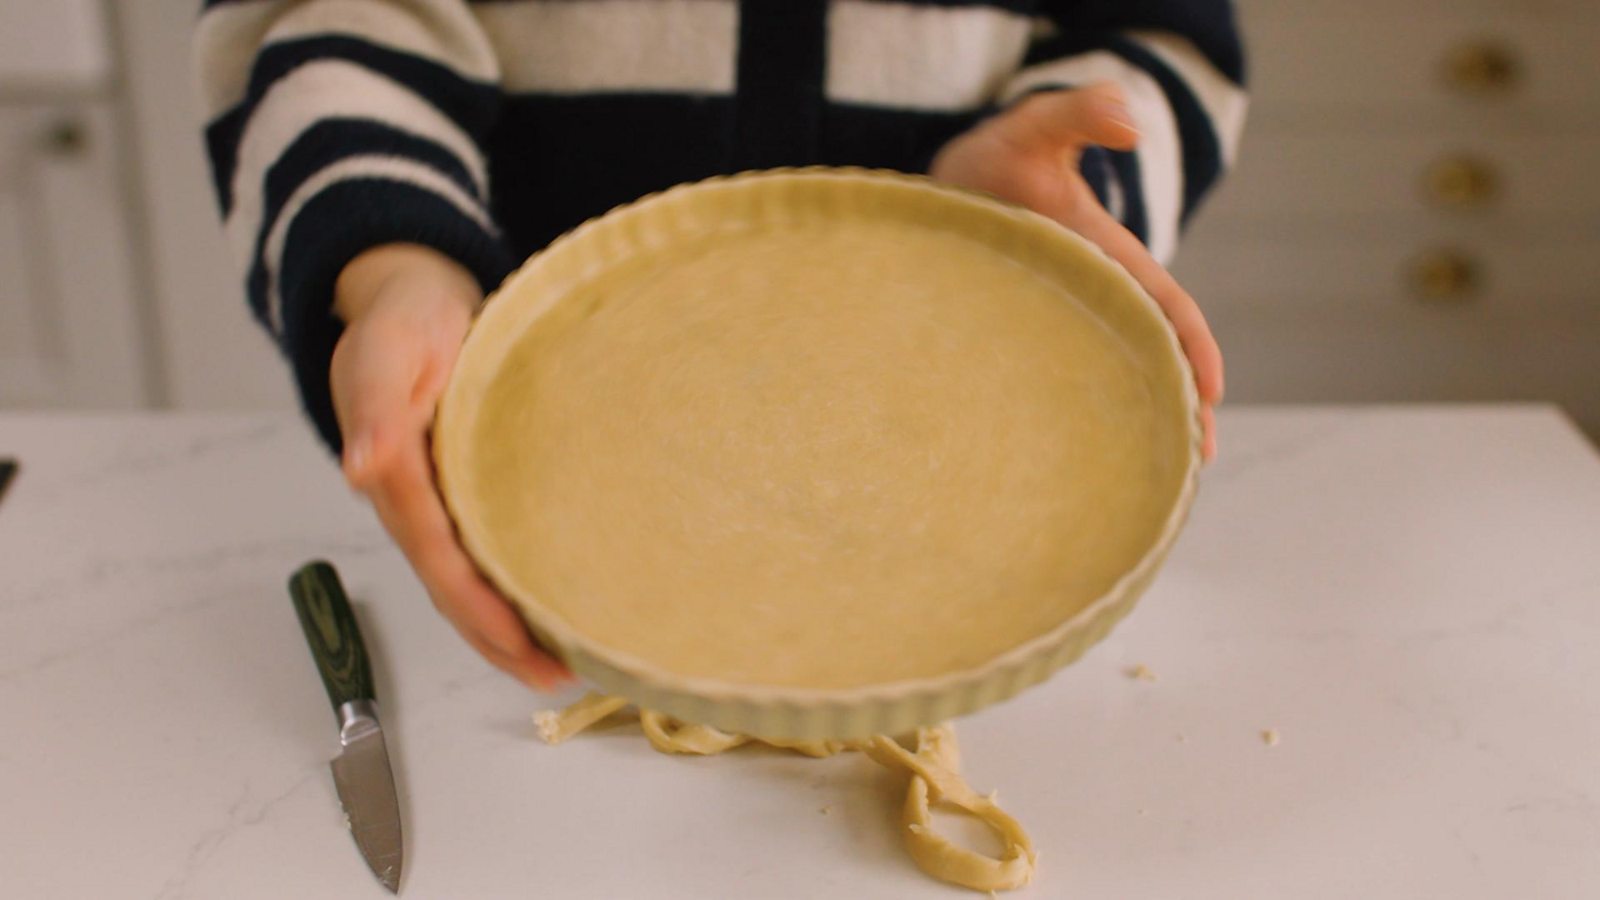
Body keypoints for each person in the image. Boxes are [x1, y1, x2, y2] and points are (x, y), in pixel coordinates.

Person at [195, 0, 1246, 692]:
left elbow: (1160, 36)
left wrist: (1050, 208)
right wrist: (394, 257)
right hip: (549, 510)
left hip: (975, 532)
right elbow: (324, 19)